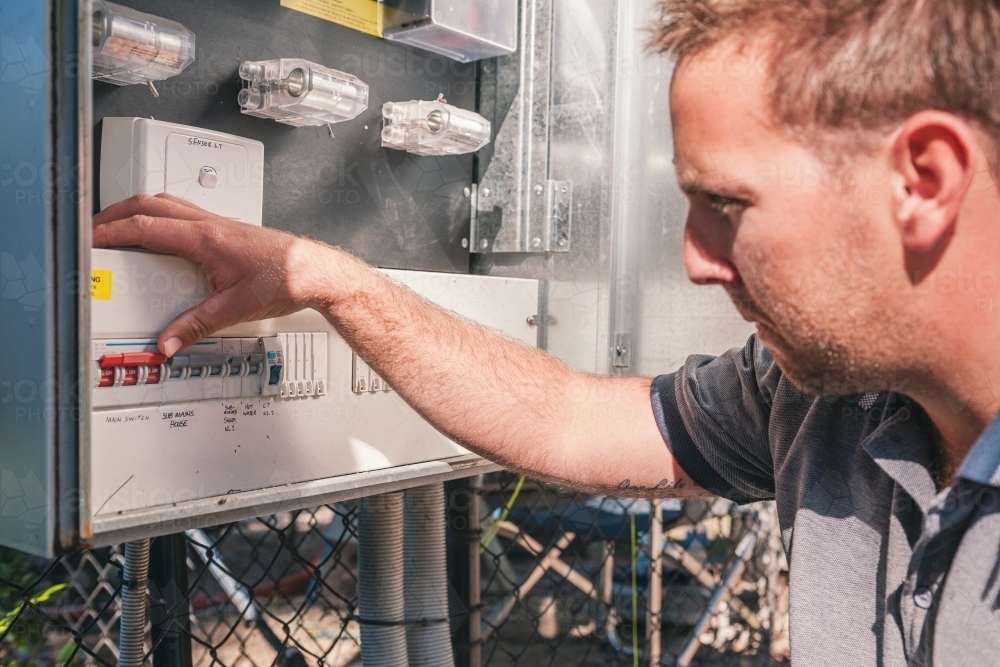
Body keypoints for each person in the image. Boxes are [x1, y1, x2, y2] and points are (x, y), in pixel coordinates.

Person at [94, 0, 1000, 664]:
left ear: (923, 179)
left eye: (727, 204)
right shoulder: (815, 394)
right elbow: (570, 418)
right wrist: (332, 281)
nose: (694, 259)